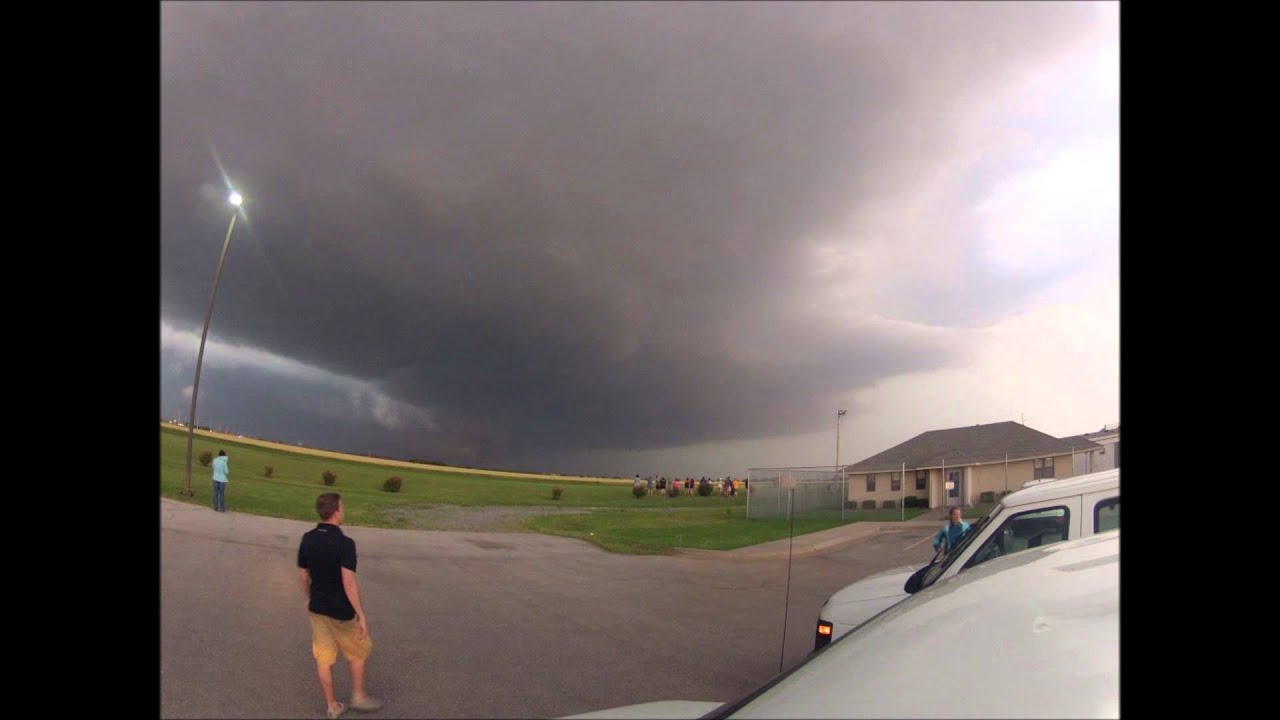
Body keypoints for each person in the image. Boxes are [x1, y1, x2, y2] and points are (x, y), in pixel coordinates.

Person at [298, 493, 383, 719]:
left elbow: (303, 573)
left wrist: (308, 598)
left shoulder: (307, 538)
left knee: (324, 657)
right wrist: (361, 615)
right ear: (336, 512)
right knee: (359, 650)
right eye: (342, 507)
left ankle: (332, 706)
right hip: (342, 612)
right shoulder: (345, 544)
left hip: (317, 609)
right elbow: (349, 582)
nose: (343, 511)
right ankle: (358, 696)